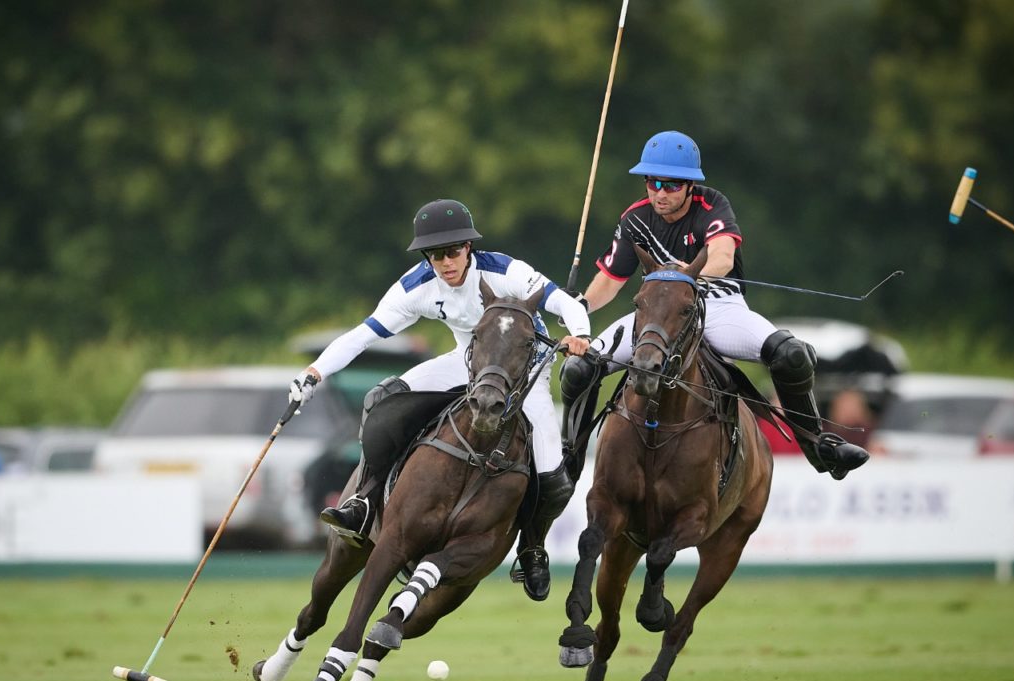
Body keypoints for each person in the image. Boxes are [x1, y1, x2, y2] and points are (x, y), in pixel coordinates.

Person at [288, 198, 592, 601]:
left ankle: (532, 549)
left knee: (553, 478)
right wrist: (315, 372)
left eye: (452, 251)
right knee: (383, 398)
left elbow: (563, 302)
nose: (445, 262)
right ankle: (364, 500)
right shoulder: (417, 285)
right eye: (435, 254)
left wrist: (580, 333)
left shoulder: (504, 270)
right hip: (466, 361)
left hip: (524, 370)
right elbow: (364, 334)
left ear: (468, 247)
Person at [559, 130, 869, 481]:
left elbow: (722, 256)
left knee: (791, 355)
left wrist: (683, 280)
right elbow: (611, 279)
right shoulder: (635, 219)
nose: (660, 192)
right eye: (653, 182)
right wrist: (580, 305)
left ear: (690, 185)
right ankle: (569, 459)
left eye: (672, 185)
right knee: (579, 370)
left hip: (718, 306)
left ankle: (818, 446)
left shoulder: (712, 205)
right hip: (656, 314)